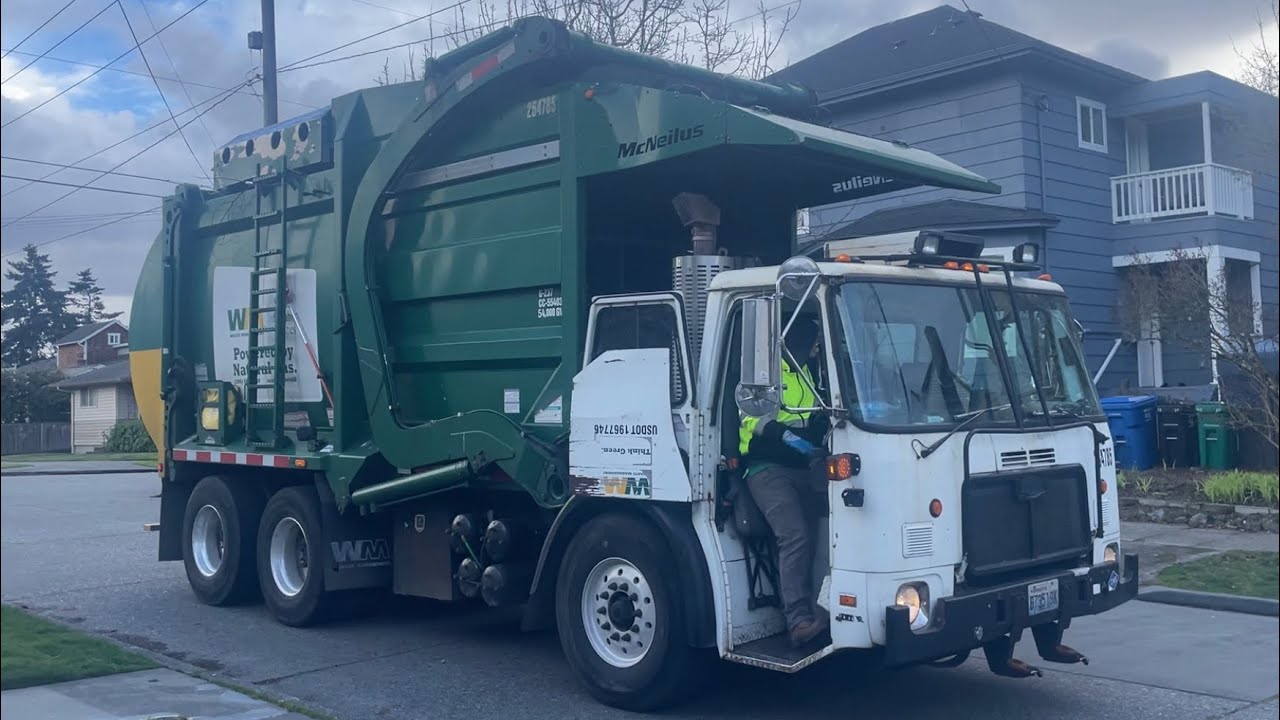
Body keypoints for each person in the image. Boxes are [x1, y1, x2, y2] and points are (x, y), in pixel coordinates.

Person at [738, 318, 830, 647]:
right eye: (814, 342)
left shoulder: (807, 376)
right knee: (795, 537)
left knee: (832, 536)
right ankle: (799, 621)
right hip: (767, 468)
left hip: (805, 466)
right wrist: (790, 436)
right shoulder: (767, 376)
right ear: (798, 343)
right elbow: (753, 420)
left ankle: (830, 610)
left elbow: (815, 416)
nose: (818, 348)